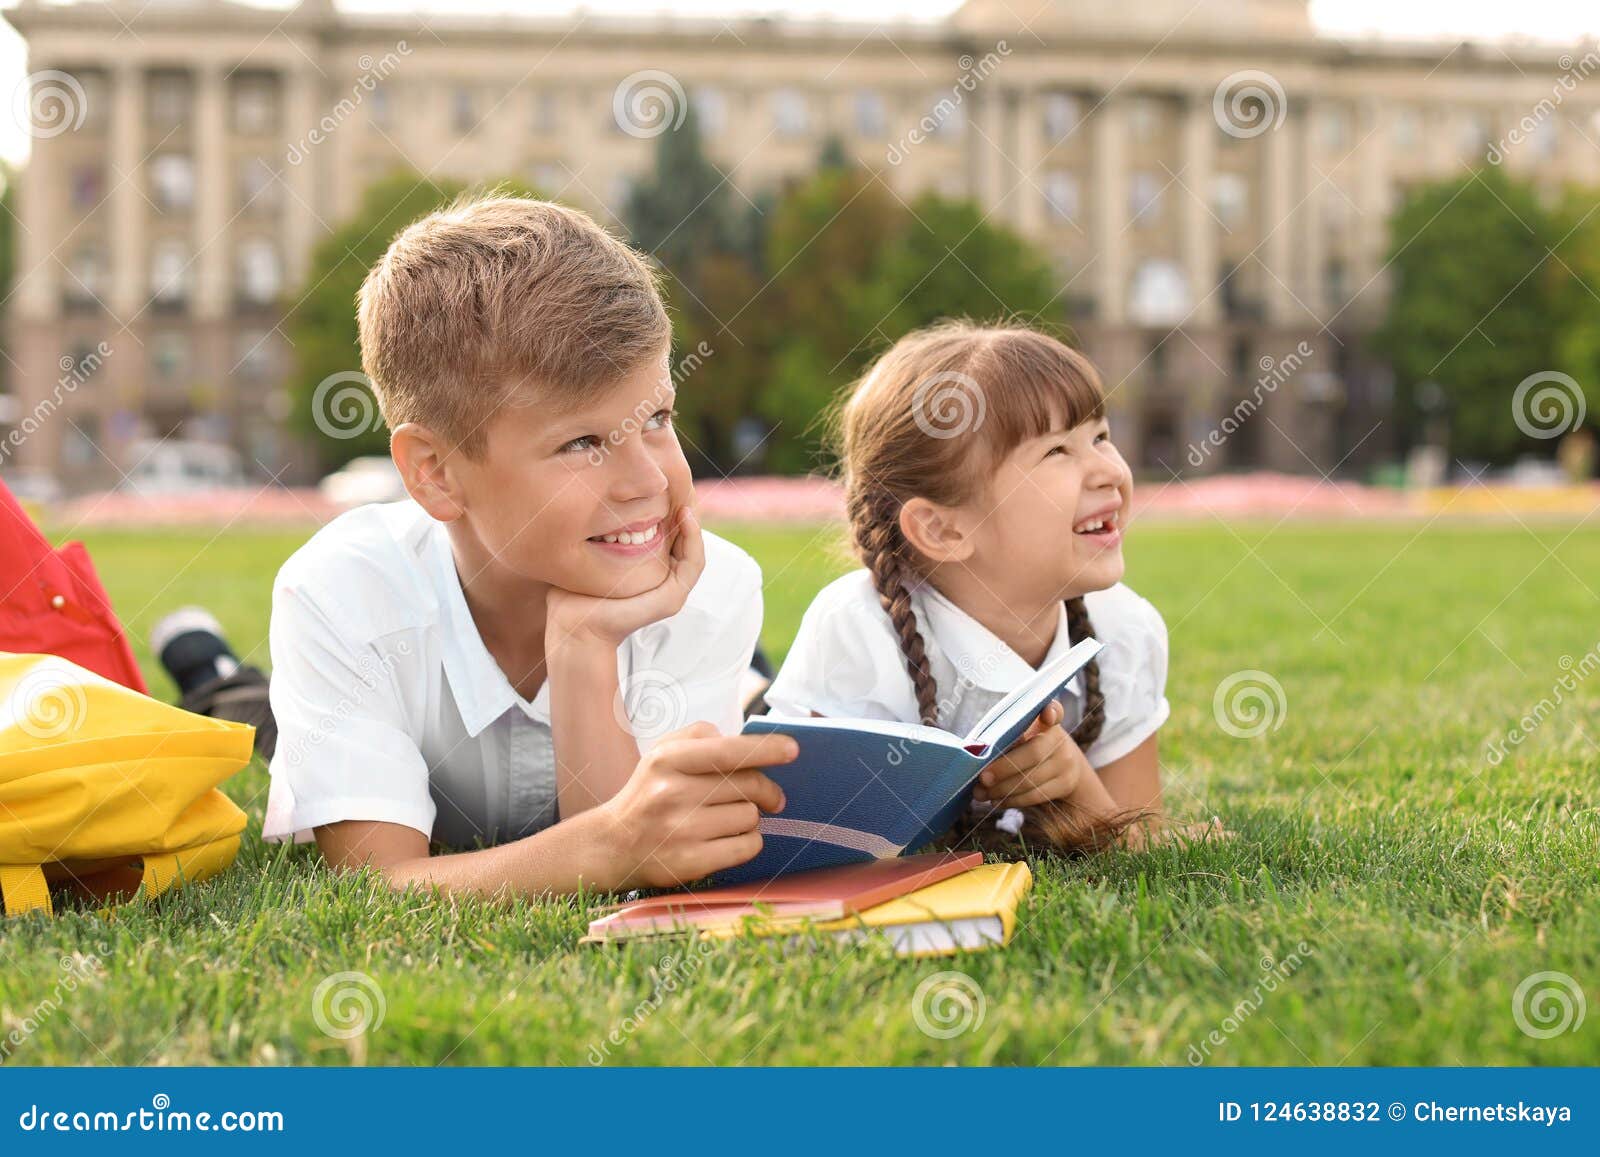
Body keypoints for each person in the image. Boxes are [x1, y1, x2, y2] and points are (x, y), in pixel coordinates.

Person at [260, 194, 796, 900]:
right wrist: (609, 844)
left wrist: (583, 646)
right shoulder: (341, 593)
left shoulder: (716, 585)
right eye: (581, 442)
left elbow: (649, 865)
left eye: (657, 418)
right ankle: (202, 656)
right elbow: (379, 884)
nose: (648, 480)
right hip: (339, 680)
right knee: (246, 712)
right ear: (436, 472)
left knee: (751, 690)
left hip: (637, 620)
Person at [765, 321, 1223, 853]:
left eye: (1100, 436)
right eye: (1057, 452)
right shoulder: (856, 631)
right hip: (773, 722)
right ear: (943, 529)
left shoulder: (1124, 627)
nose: (1108, 471)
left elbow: (1139, 838)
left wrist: (1073, 783)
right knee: (750, 696)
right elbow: (828, 855)